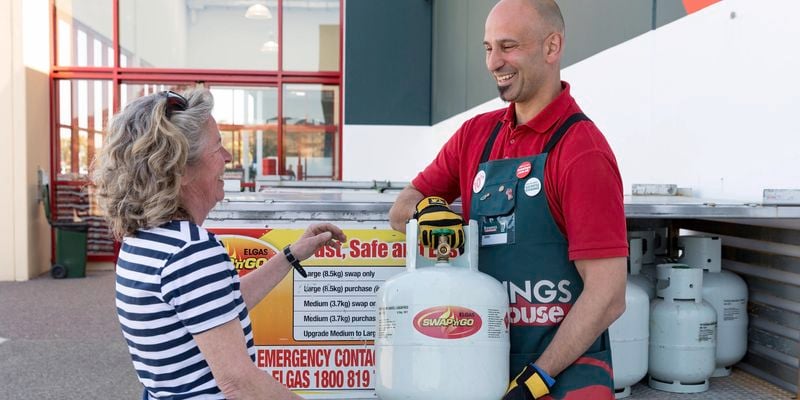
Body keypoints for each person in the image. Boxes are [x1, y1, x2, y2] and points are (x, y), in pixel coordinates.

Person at [389, 0, 627, 398]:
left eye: (508, 46)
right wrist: (427, 213)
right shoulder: (475, 136)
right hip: (475, 365)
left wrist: (536, 380)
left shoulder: (582, 152)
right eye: (487, 48)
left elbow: (608, 296)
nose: (494, 62)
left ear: (552, 47)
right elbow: (401, 208)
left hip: (563, 377)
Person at [93, 89, 346, 400]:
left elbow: (216, 308)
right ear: (181, 170)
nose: (228, 157)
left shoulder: (146, 239)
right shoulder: (190, 251)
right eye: (218, 148)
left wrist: (291, 255)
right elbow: (238, 382)